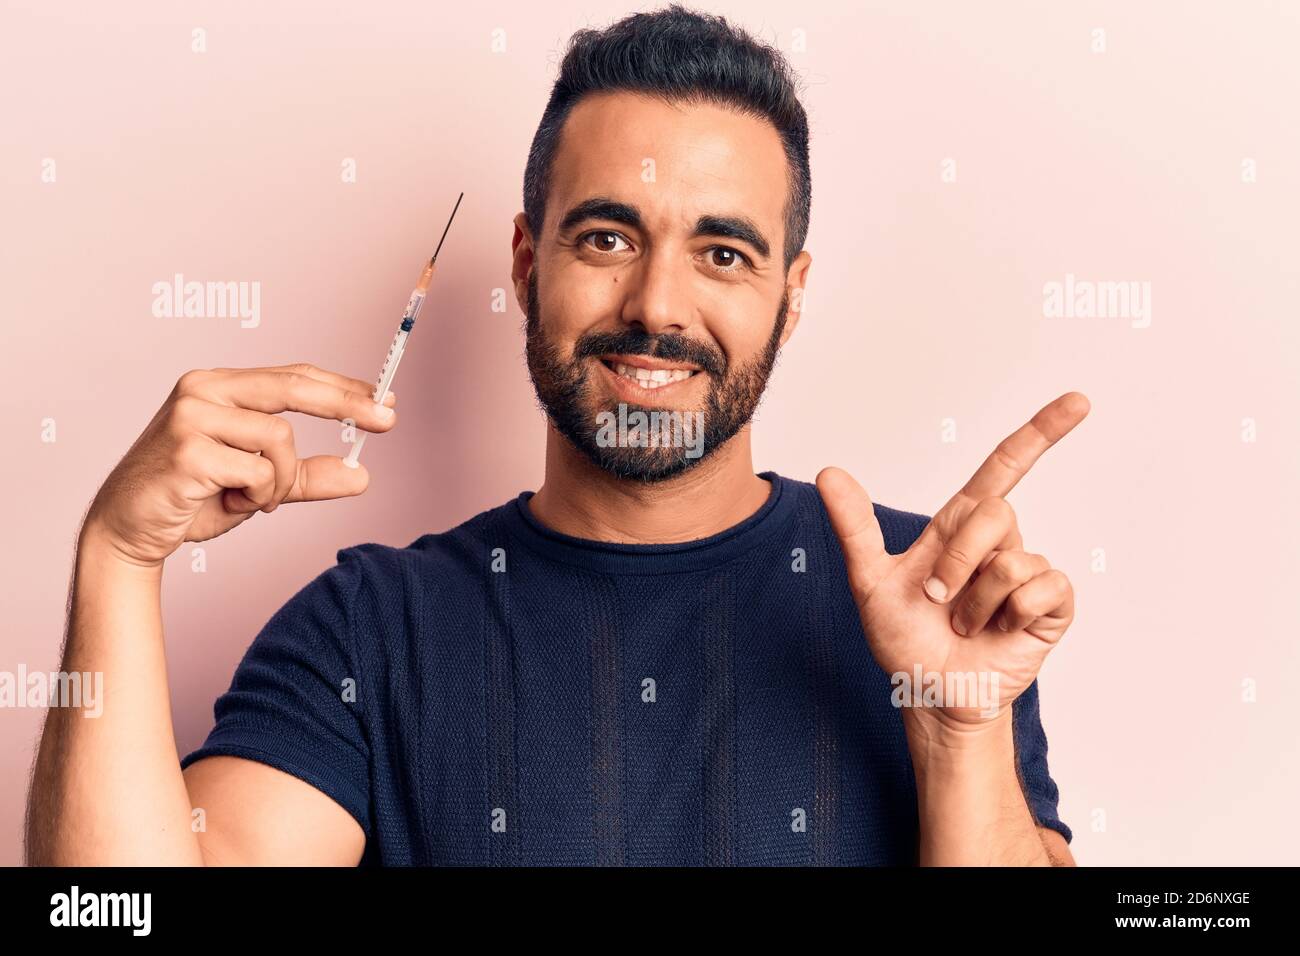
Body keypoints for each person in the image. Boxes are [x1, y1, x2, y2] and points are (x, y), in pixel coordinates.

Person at [25, 4, 1085, 866]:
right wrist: (118, 558)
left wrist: (957, 735)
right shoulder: (373, 628)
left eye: (722, 253)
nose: (658, 304)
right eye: (608, 236)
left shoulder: (927, 596)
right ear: (528, 264)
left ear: (790, 294)